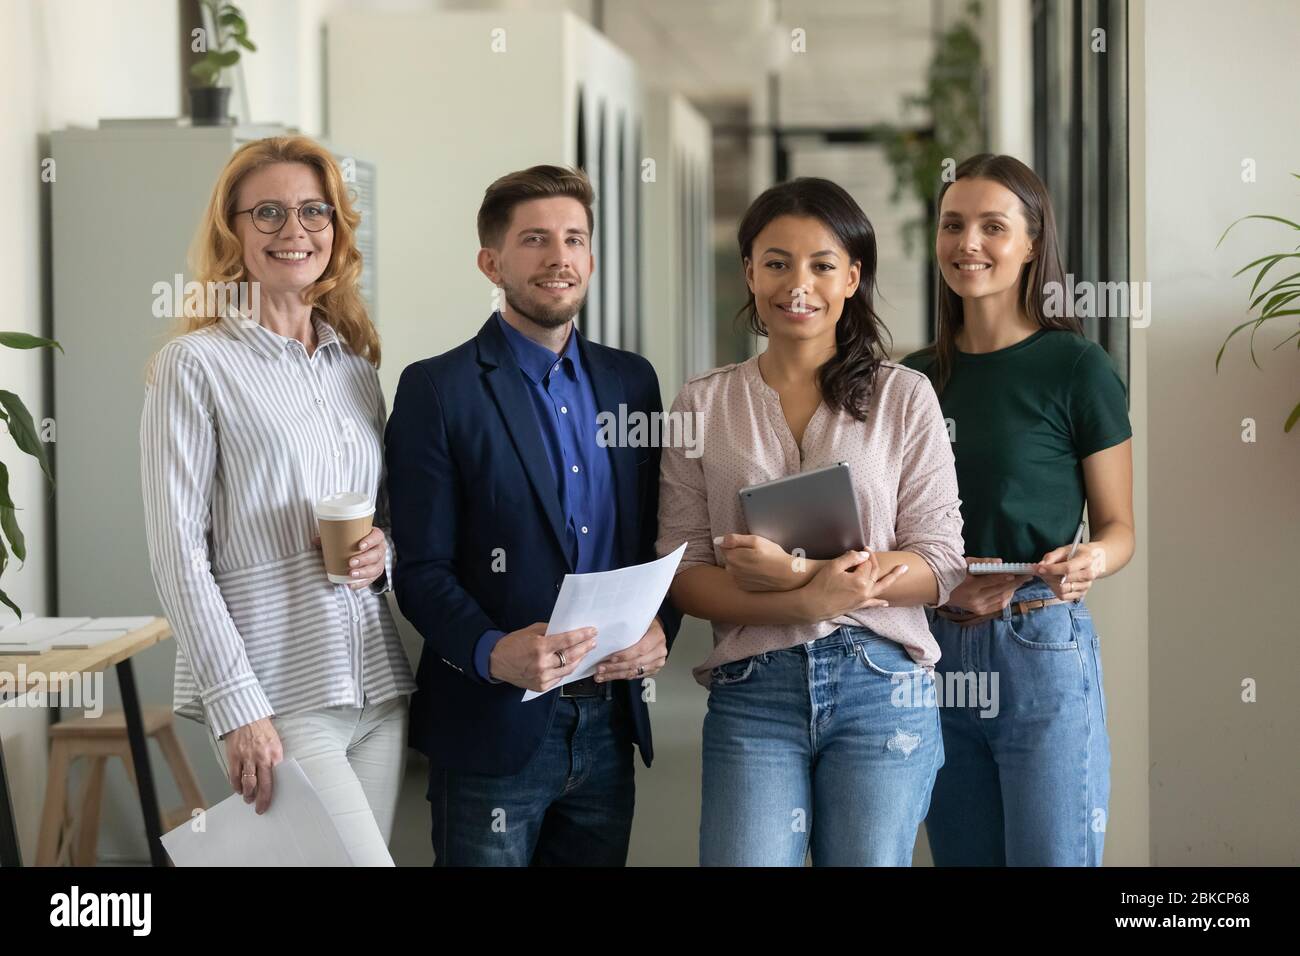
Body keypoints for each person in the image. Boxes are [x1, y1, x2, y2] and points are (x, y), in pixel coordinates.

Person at [656, 177, 966, 866]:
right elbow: (685, 576)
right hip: (754, 689)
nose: (799, 284)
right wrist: (806, 600)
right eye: (776, 262)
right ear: (749, 271)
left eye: (823, 265)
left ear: (852, 277)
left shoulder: (904, 397)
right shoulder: (701, 406)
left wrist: (804, 576)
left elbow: (940, 564)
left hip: (880, 685)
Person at [385, 164, 680, 866]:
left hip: (608, 719)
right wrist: (493, 653)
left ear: (592, 258)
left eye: (574, 239)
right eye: (535, 240)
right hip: (492, 722)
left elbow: (659, 537)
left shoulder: (632, 382)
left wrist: (662, 630)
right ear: (492, 262)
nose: (559, 258)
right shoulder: (437, 389)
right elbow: (420, 569)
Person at [141, 135, 414, 866]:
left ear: (335, 228)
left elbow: (388, 518)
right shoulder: (193, 366)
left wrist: (385, 551)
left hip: (377, 689)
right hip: (276, 694)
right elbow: (178, 557)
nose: (293, 230)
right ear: (232, 231)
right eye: (267, 213)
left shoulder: (355, 368)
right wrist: (237, 710)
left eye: (312, 211)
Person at [901, 153, 1134, 866]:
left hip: (1039, 644)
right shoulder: (912, 379)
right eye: (953, 225)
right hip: (932, 652)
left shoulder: (1076, 366)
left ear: (1033, 243)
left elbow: (1119, 529)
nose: (968, 243)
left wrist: (1090, 557)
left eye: (992, 227)